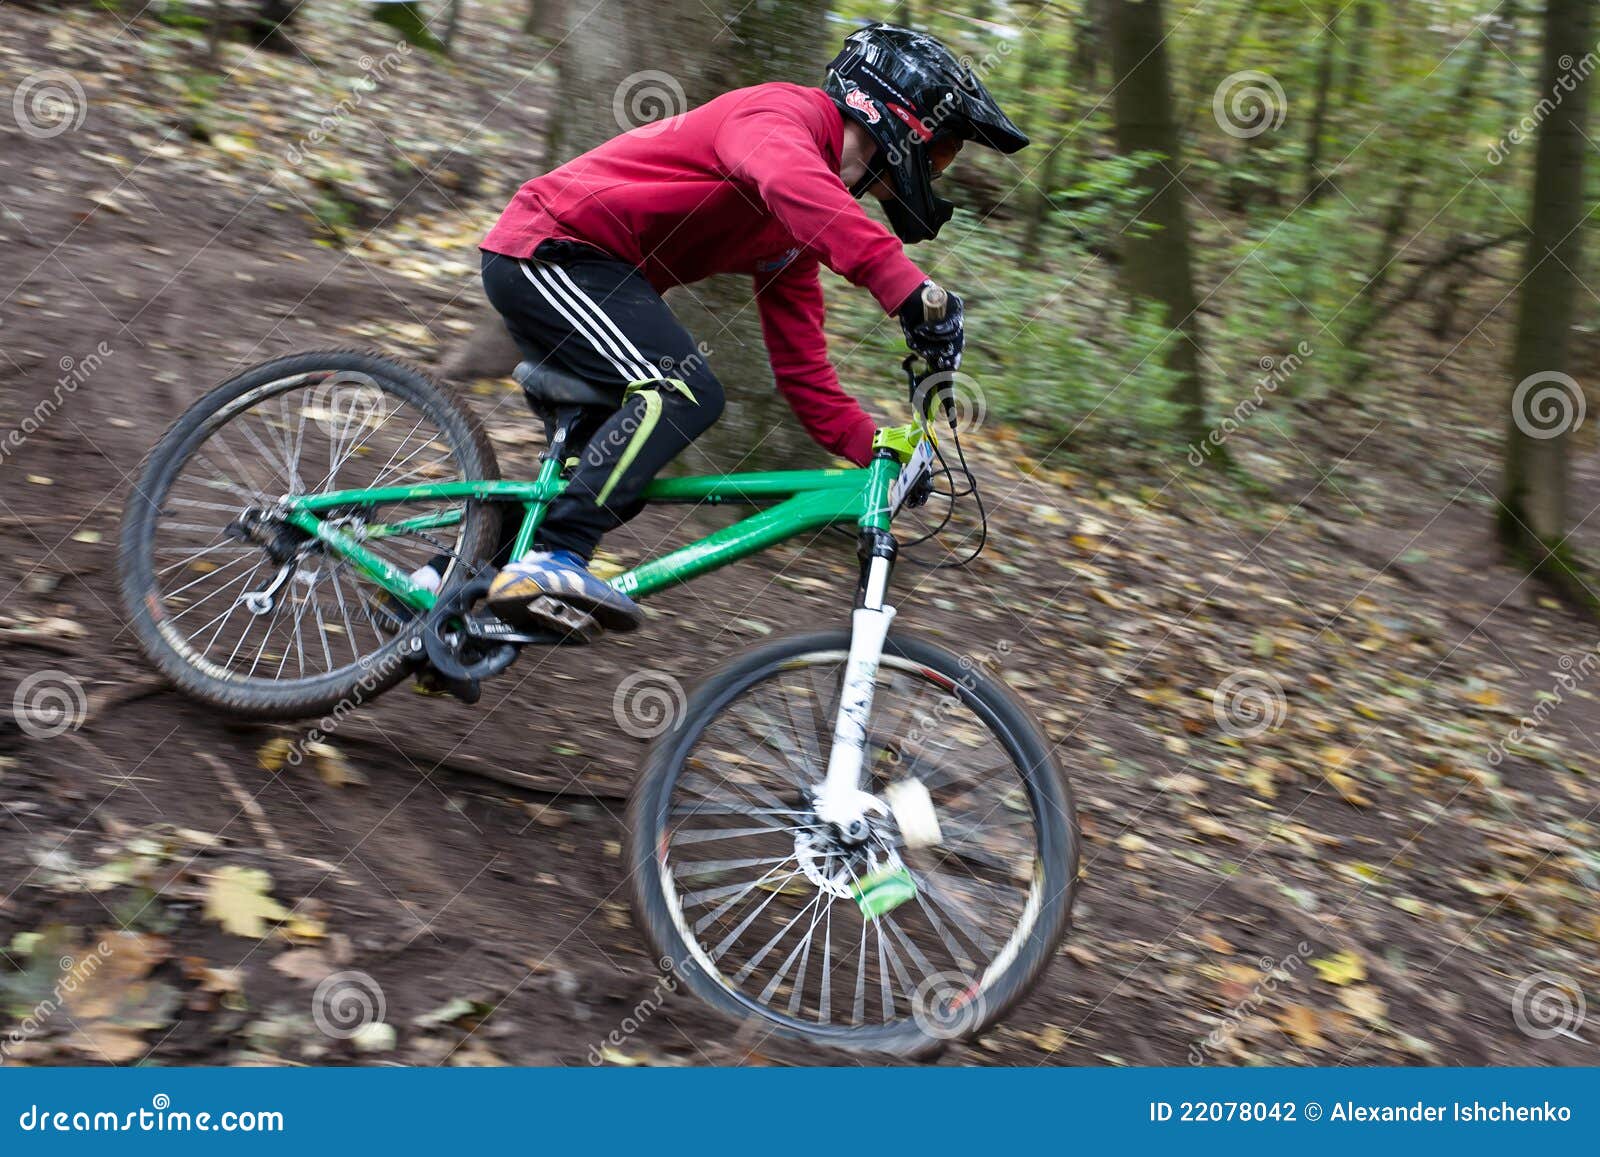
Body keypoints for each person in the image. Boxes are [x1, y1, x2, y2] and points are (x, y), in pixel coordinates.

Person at [478, 22, 1027, 633]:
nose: (941, 169)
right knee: (682, 393)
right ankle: (555, 560)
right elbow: (794, 183)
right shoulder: (782, 114)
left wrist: (876, 448)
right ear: (903, 119)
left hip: (598, 279)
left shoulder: (797, 231)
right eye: (945, 151)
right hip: (550, 249)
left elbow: (802, 369)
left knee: (615, 474)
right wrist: (907, 290)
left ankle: (455, 583)